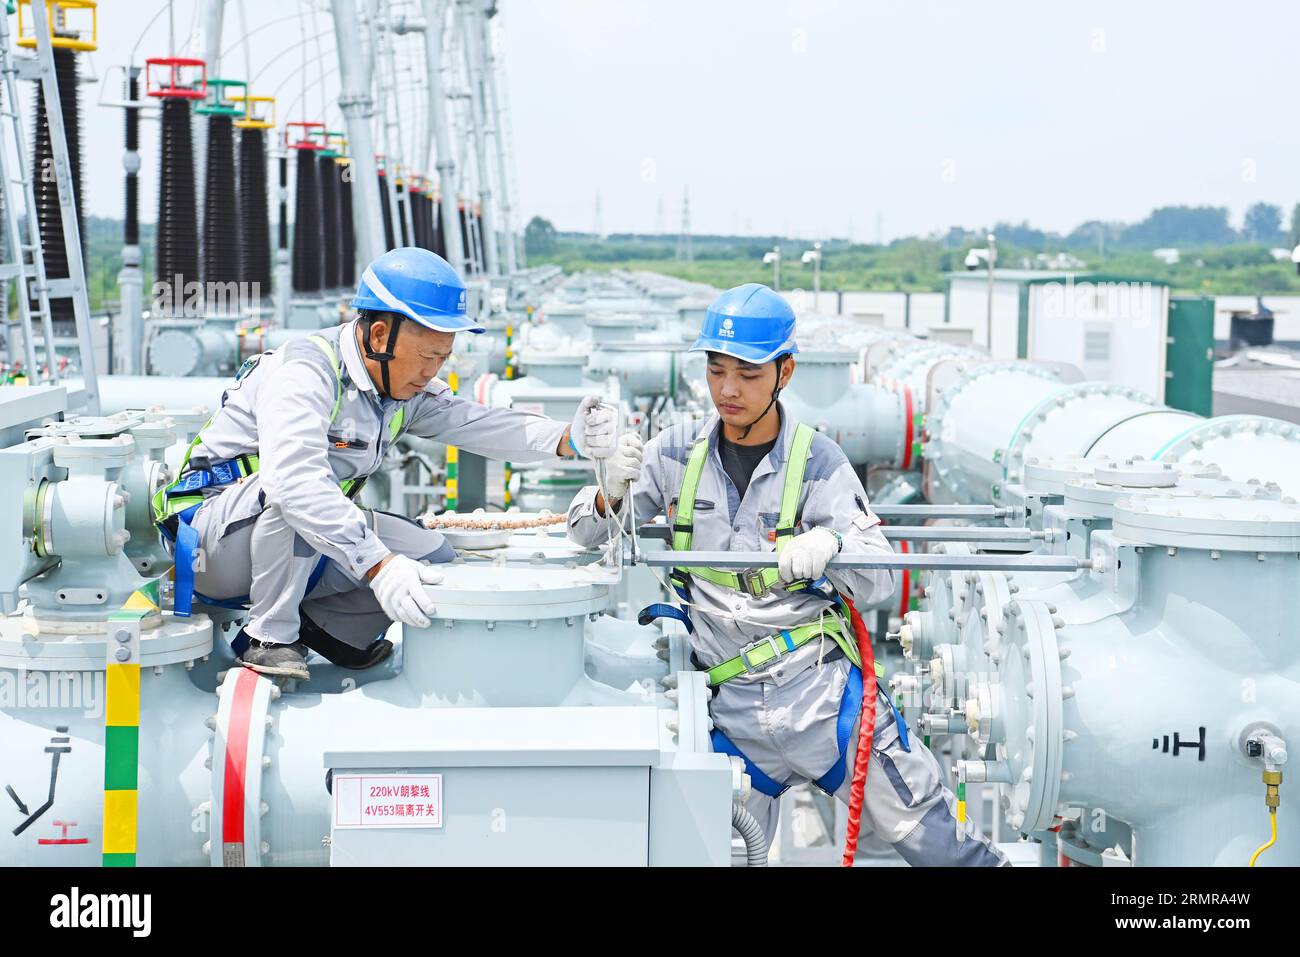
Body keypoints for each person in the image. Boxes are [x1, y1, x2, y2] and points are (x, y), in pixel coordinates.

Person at [566, 283, 1007, 866]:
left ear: (785, 372)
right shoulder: (674, 454)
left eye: (747, 374)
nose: (728, 389)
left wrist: (836, 543)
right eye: (716, 370)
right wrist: (608, 492)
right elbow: (582, 534)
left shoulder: (819, 462)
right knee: (708, 855)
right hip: (727, 708)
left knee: (937, 844)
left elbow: (877, 580)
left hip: (821, 697)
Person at [152, 247, 616, 681]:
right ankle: (267, 637)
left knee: (432, 554)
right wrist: (378, 566)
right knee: (297, 494)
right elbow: (292, 482)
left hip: (284, 543)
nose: (433, 371)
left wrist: (564, 439)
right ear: (380, 336)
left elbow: (472, 422)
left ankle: (331, 632)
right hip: (213, 545)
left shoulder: (396, 388)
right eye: (428, 356)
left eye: (443, 357)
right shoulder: (305, 372)